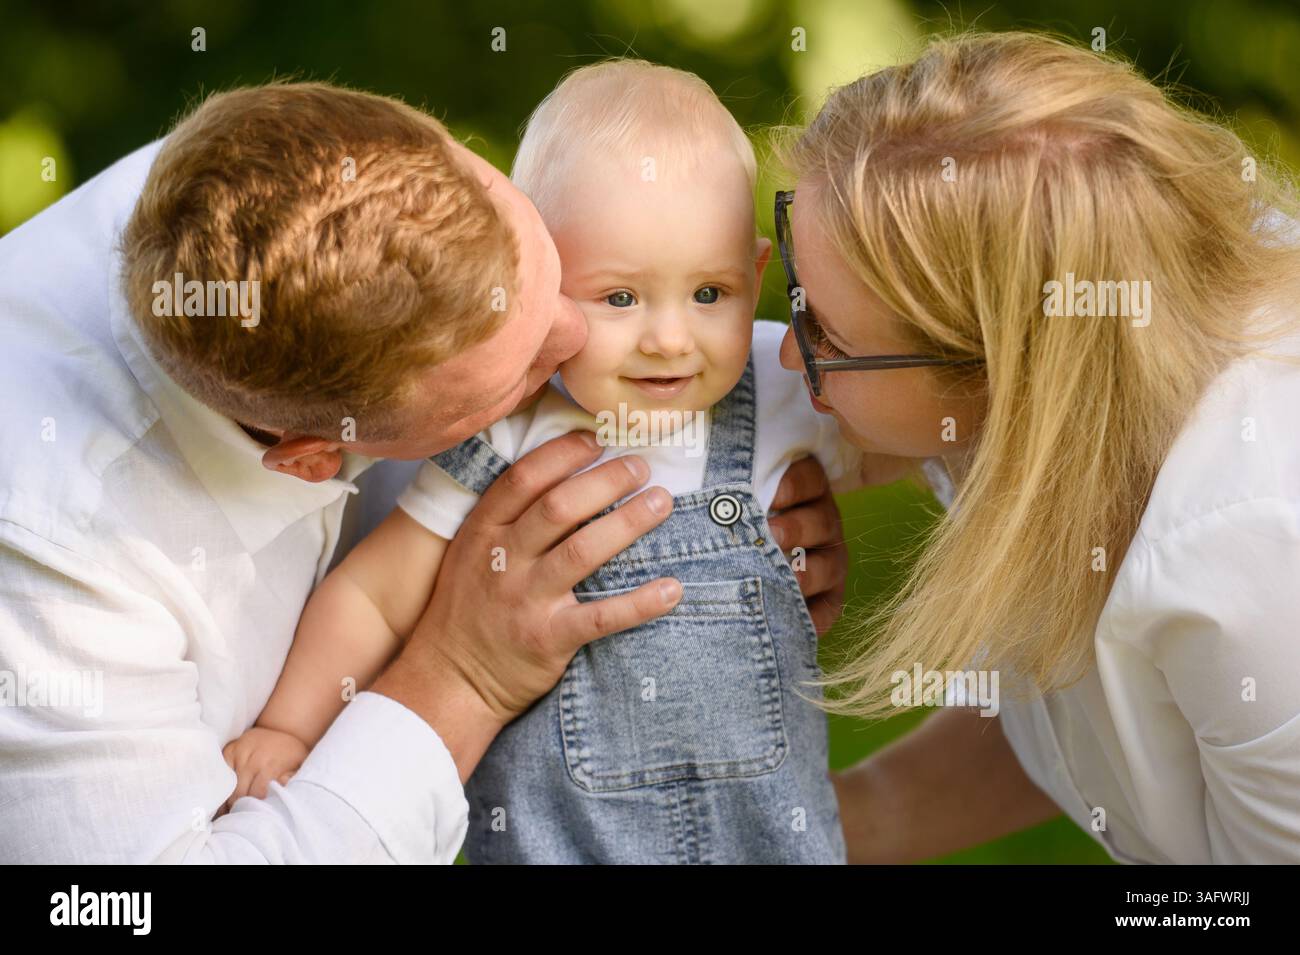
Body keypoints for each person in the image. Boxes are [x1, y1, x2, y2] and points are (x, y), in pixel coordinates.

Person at [0, 82, 845, 863]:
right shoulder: (53, 552)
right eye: (512, 381)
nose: (577, 339)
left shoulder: (299, 177)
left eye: (547, 269)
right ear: (316, 457)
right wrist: (459, 680)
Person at [777, 31, 1300, 863]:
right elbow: (1110, 724)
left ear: (1005, 372)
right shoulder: (1097, 353)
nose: (786, 352)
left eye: (821, 335)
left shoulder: (1248, 554)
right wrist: (816, 833)